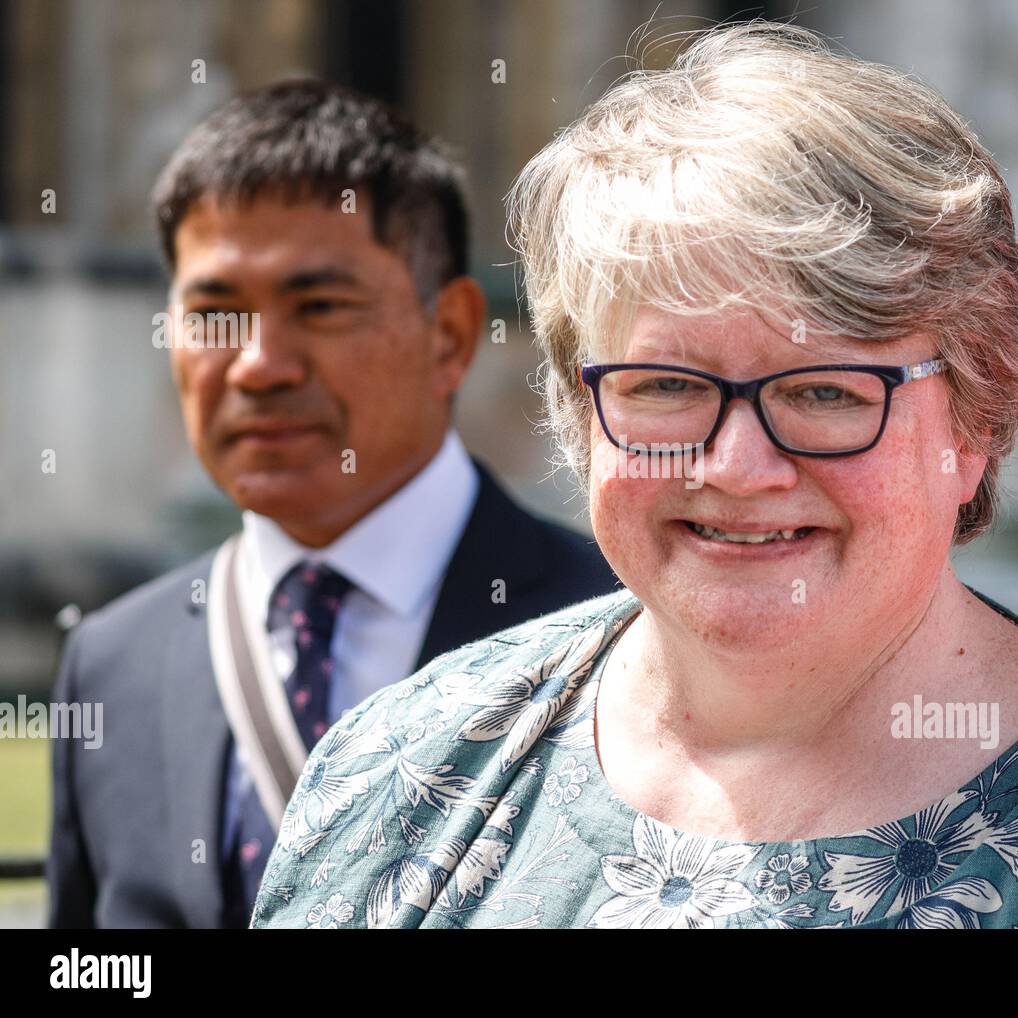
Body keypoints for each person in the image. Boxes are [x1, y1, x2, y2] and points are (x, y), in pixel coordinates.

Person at [250, 23, 1018, 929]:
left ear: (975, 416)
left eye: (827, 393)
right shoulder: (401, 768)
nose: (737, 467)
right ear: (581, 409)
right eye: (665, 385)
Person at [46, 80, 620, 929]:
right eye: (214, 313)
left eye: (319, 307)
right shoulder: (111, 663)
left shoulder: (613, 631)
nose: (258, 366)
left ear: (451, 334)